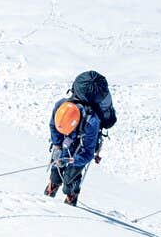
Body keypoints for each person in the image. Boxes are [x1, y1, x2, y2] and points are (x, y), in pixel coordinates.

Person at [46, 70, 115, 206]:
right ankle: (52, 186)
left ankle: (71, 194)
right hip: (65, 141)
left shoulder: (91, 122)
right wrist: (57, 145)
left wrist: (74, 160)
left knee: (70, 177)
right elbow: (53, 125)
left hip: (82, 145)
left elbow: (88, 152)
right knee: (56, 168)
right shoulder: (61, 106)